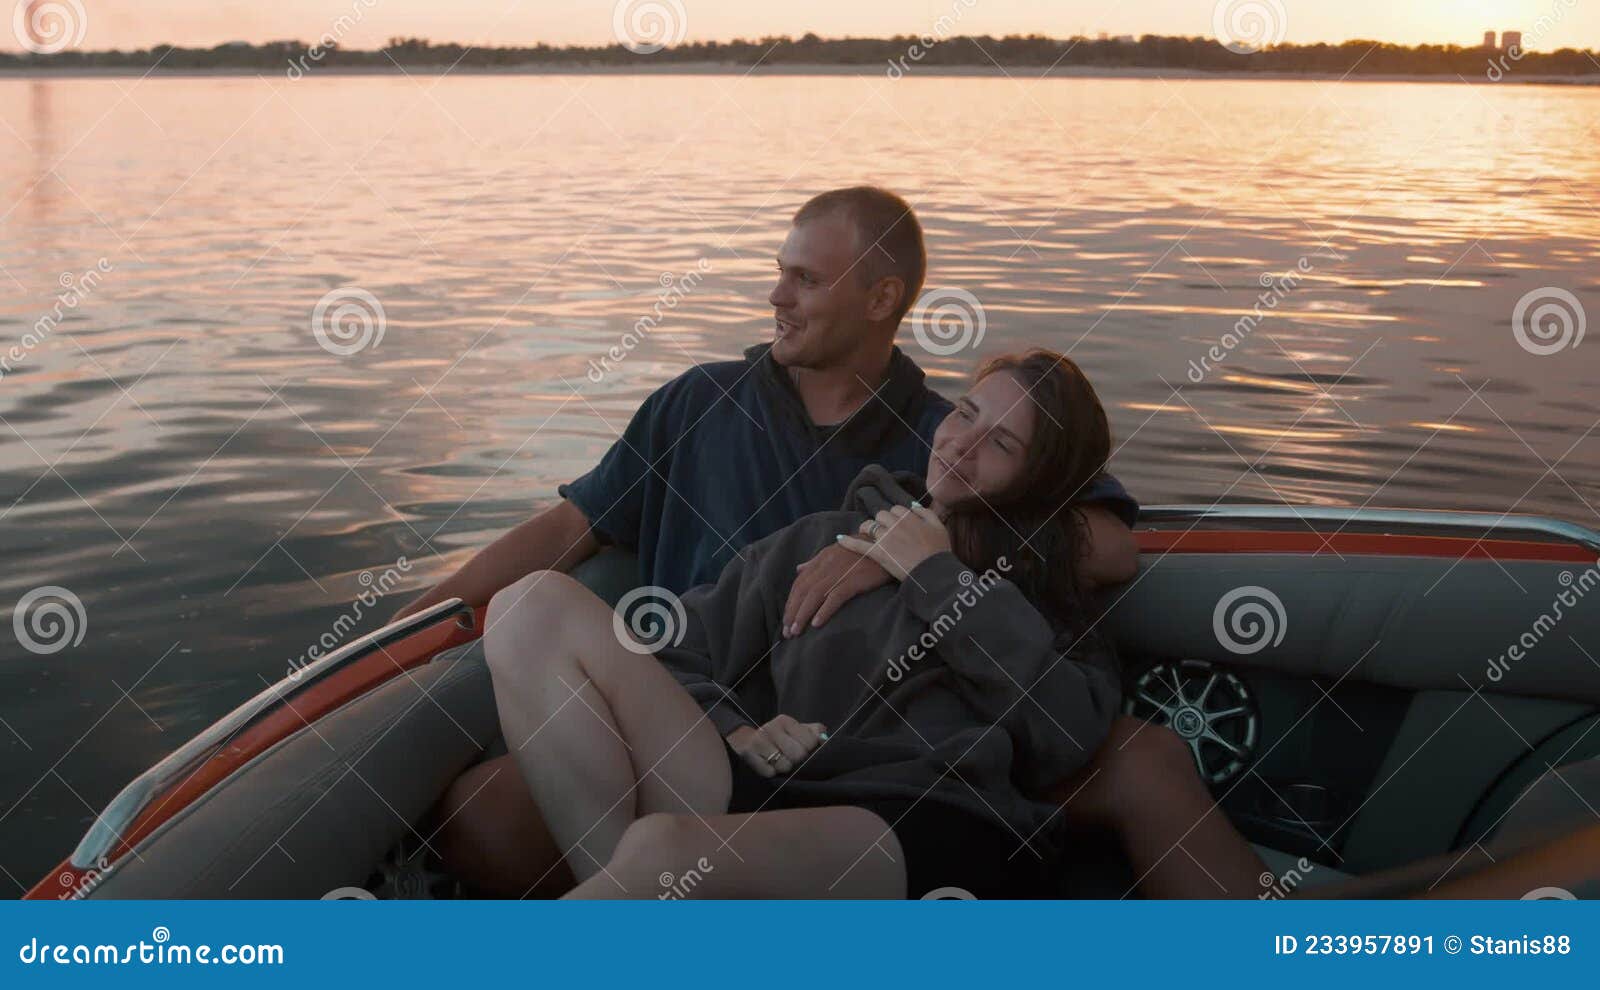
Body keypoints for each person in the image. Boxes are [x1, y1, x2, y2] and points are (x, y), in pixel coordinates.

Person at [396, 187, 1141, 895]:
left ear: (881, 299)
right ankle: (633, 916)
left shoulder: (957, 474)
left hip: (909, 811)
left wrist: (922, 559)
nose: (777, 297)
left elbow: (1105, 553)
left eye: (806, 280)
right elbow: (585, 545)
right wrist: (397, 637)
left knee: (648, 855)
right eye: (779, 273)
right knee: (527, 619)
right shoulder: (730, 433)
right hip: (735, 754)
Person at [483, 350, 1121, 898]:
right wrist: (737, 727)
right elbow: (677, 649)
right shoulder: (821, 542)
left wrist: (934, 572)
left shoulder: (1042, 586)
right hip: (775, 787)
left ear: (1042, 477)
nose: (961, 444)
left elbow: (1063, 734)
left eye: (1002, 443)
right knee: (530, 608)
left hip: (932, 821)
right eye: (965, 413)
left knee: (663, 855)